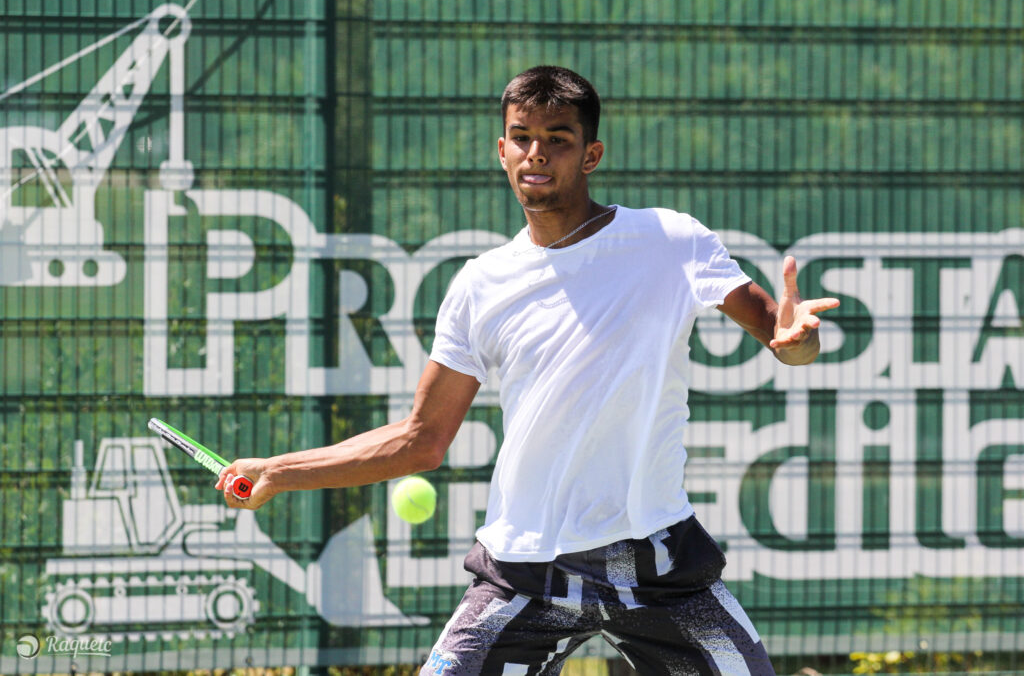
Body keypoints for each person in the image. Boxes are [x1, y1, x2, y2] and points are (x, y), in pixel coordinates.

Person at [218, 65, 840, 675]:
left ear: (590, 155)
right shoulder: (478, 286)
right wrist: (276, 470)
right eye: (522, 137)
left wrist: (796, 343)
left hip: (653, 561)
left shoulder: (671, 242)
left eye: (558, 140)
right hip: (526, 569)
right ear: (502, 149)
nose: (536, 154)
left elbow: (782, 340)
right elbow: (420, 440)